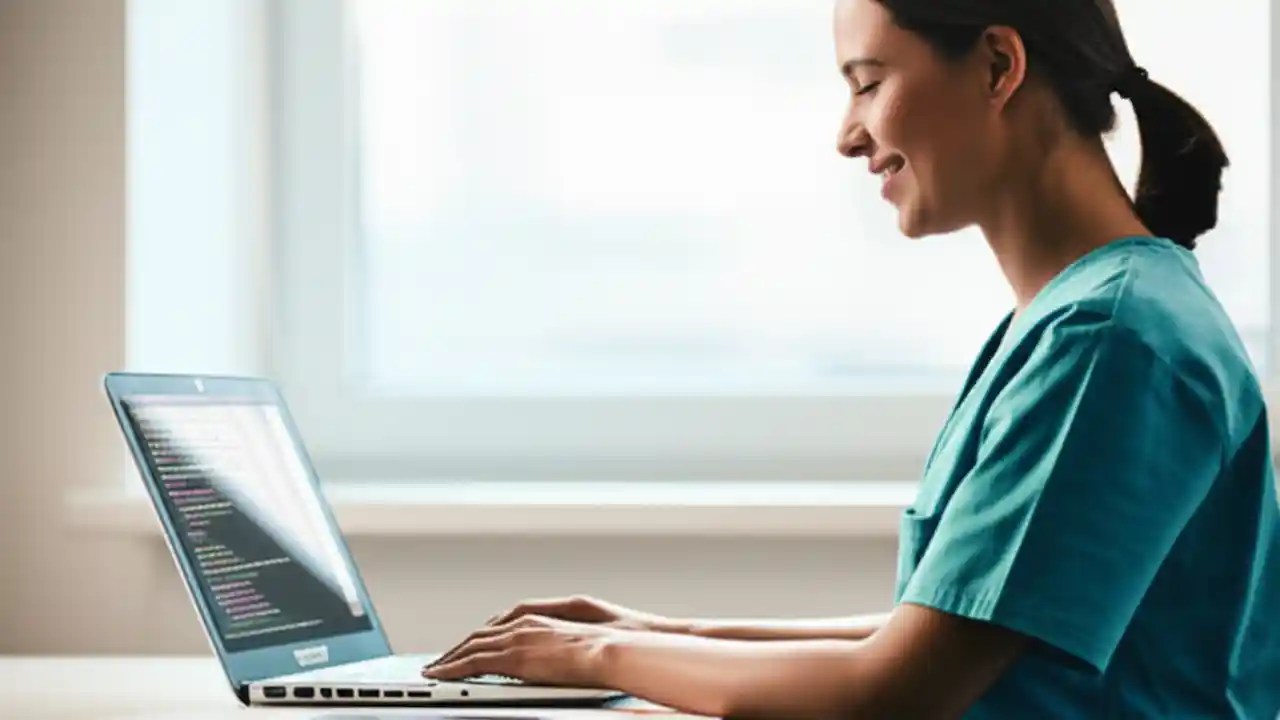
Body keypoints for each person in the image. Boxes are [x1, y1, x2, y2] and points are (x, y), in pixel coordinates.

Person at [423, 0, 1280, 716]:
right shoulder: (1097, 314)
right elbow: (941, 629)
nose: (847, 135)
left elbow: (898, 688)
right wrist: (661, 632)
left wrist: (601, 656)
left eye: (869, 83)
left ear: (996, 67)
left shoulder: (1108, 340)